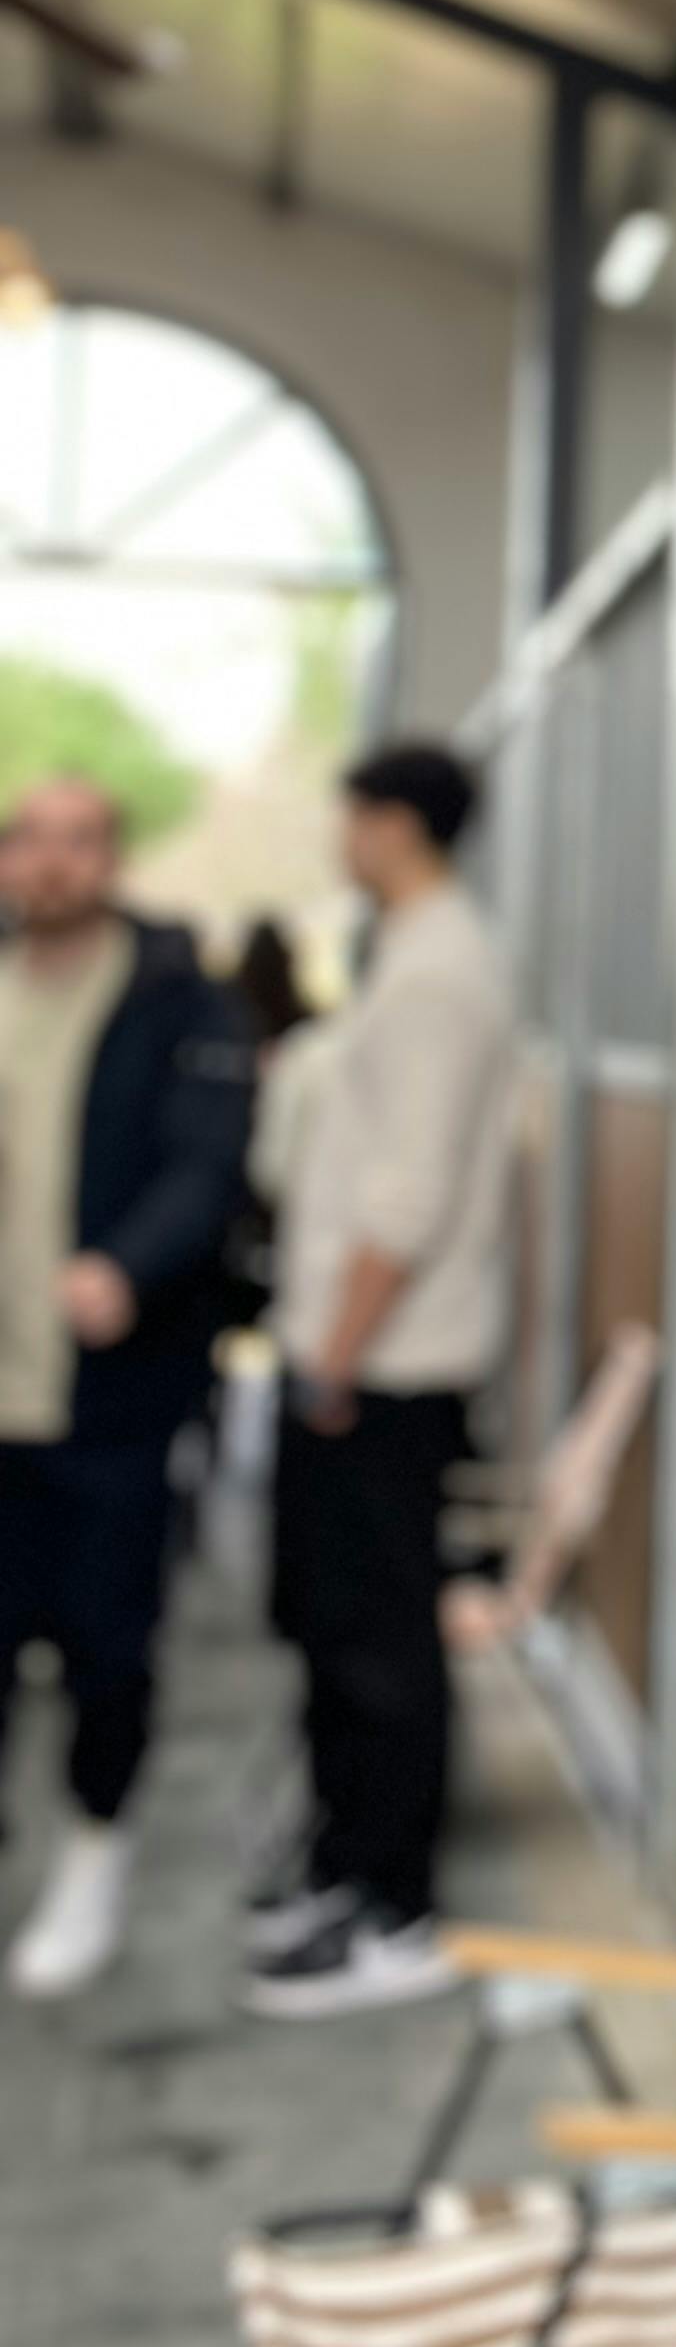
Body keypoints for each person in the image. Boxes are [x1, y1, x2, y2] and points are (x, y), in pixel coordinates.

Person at [248, 741, 515, 2017]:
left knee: (381, 1641)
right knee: (336, 1626)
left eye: (351, 814)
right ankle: (345, 1867)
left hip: (383, 1368)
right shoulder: (410, 955)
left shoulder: (439, 973)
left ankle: (394, 1909)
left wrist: (335, 1359)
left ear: (395, 823)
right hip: (356, 1358)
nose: (339, 835)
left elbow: (401, 1201)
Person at [0, 776, 255, 1997]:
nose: (51, 864)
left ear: (112, 860)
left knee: (107, 1647)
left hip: (109, 1395)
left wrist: (128, 1267)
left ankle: (95, 1855)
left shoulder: (175, 1000)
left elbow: (207, 1170)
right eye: (30, 842)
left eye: (77, 842)